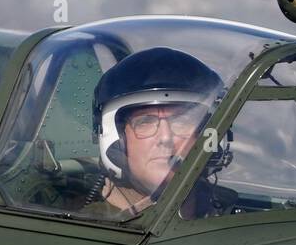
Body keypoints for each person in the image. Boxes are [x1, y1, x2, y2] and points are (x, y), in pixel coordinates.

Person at [85, 47, 236, 220]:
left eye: (182, 121)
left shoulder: (234, 221)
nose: (166, 138)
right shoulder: (84, 235)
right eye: (145, 122)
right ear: (116, 139)